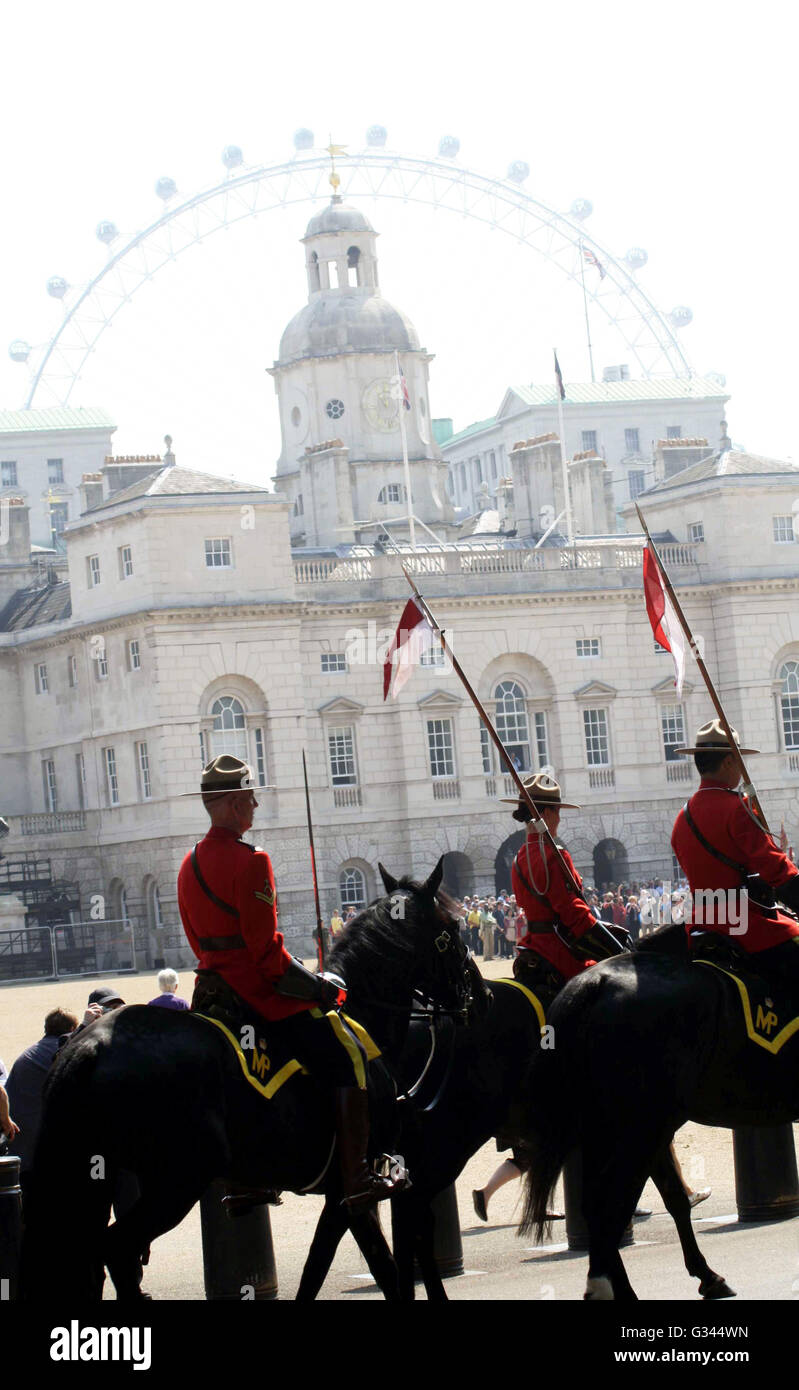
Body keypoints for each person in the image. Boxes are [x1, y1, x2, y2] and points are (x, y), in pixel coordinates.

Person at [177, 754, 403, 1211]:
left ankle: (247, 1178)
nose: (256, 806)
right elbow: (265, 956)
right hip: (257, 994)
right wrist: (319, 986)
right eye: (251, 798)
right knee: (349, 1056)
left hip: (211, 995)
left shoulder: (188, 863)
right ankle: (357, 1176)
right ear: (237, 803)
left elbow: (196, 938)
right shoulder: (252, 861)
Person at [671, 719, 799, 991]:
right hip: (744, 925)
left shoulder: (682, 818)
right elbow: (775, 869)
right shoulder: (736, 807)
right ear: (728, 762)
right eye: (739, 761)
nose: (742, 769)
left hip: (700, 925)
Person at [504, 772, 627, 984]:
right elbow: (572, 913)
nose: (559, 818)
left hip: (532, 945)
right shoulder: (555, 854)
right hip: (559, 951)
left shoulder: (518, 858)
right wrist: (617, 949)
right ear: (548, 813)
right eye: (558, 811)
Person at [5, 1008, 78, 1186]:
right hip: (42, 1146)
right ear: (71, 1028)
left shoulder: (30, 1053)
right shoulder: (62, 1052)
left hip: (21, 1142)